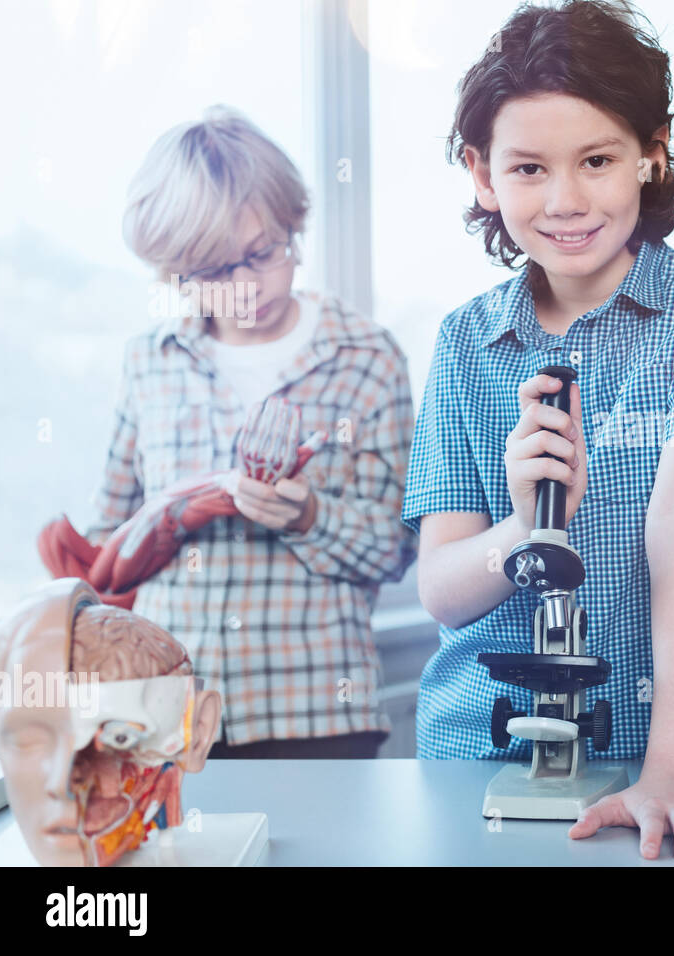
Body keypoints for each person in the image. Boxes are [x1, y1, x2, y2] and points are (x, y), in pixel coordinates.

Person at [402, 0, 674, 860]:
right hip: (473, 759)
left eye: (598, 160)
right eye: (528, 168)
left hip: (654, 757)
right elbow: (442, 589)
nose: (565, 201)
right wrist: (524, 530)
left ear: (652, 151)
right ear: (482, 173)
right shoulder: (466, 340)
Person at [86, 105, 417, 758]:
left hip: (319, 715)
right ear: (172, 272)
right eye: (212, 272)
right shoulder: (148, 361)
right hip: (166, 718)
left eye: (262, 254)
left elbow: (399, 551)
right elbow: (107, 548)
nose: (244, 286)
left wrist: (308, 517)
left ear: (293, 227)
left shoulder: (368, 357)